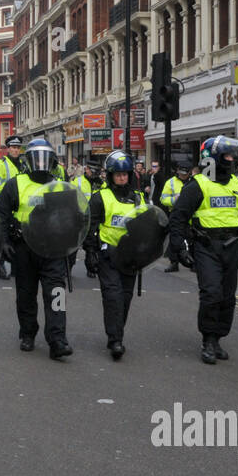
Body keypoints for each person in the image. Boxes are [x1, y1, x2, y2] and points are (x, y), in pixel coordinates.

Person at [168, 135, 238, 365]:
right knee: (211, 293)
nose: (231, 160)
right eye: (227, 156)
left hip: (231, 247)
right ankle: (207, 339)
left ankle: (218, 337)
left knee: (228, 297)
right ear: (213, 159)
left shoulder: (237, 184)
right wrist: (180, 248)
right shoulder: (198, 184)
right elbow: (178, 218)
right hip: (206, 246)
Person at [0, 137, 75, 360]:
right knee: (26, 295)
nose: (40, 164)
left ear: (52, 162)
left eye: (45, 159)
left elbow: (73, 218)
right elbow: (0, 214)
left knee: (56, 294)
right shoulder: (15, 184)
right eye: (36, 159)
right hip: (25, 247)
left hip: (53, 249)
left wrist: (71, 248)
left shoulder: (60, 187)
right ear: (28, 161)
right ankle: (27, 333)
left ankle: (58, 339)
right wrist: (4, 242)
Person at [83, 150, 150, 360]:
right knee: (113, 297)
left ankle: (117, 332)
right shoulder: (100, 197)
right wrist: (90, 252)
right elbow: (90, 226)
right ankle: (115, 340)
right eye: (117, 174)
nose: (122, 177)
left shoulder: (139, 198)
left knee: (125, 298)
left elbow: (147, 227)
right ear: (111, 175)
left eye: (125, 174)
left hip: (130, 258)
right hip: (108, 255)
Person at [0, 136, 26, 280]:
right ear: (8, 149)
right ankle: (0, 268)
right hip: (3, 207)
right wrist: (13, 191)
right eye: (13, 148)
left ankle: (15, 267)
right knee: (2, 237)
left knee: (16, 237)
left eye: (17, 148)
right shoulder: (1, 164)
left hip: (17, 207)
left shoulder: (22, 164)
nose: (15, 150)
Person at [160, 163, 192, 272]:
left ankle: (194, 263)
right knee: (174, 239)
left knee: (192, 238)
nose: (183, 176)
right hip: (175, 214)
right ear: (177, 171)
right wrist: (174, 200)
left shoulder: (194, 182)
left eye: (185, 174)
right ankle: (174, 262)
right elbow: (163, 199)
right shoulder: (171, 182)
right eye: (181, 173)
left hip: (191, 214)